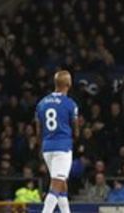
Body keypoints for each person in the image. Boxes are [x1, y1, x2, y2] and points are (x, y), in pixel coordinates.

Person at [35, 70, 79, 213]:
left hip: (47, 147)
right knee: (57, 184)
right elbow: (76, 130)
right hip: (63, 147)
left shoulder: (42, 103)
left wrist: (40, 147)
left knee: (61, 184)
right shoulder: (70, 104)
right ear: (68, 84)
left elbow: (38, 130)